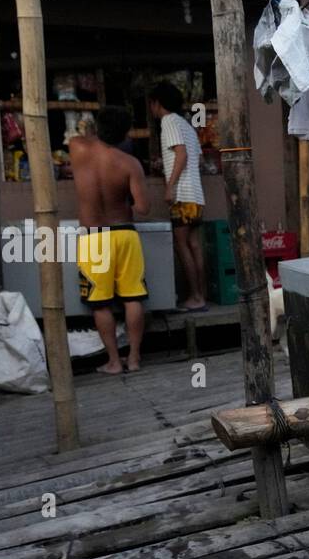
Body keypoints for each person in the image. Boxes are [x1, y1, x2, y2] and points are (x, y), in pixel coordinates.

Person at [69, 106, 150, 374]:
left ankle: (114, 362)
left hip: (94, 237)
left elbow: (82, 134)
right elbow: (142, 208)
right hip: (125, 233)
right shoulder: (130, 164)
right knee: (132, 297)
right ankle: (135, 358)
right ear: (125, 133)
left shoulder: (77, 148)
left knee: (100, 302)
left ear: (96, 127)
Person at [148, 81, 208, 312]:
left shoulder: (169, 121)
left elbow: (180, 155)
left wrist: (170, 186)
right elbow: (197, 160)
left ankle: (194, 297)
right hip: (196, 194)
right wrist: (166, 163)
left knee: (182, 245)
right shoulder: (186, 125)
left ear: (157, 103)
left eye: (151, 104)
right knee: (194, 245)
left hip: (182, 194)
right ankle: (201, 296)